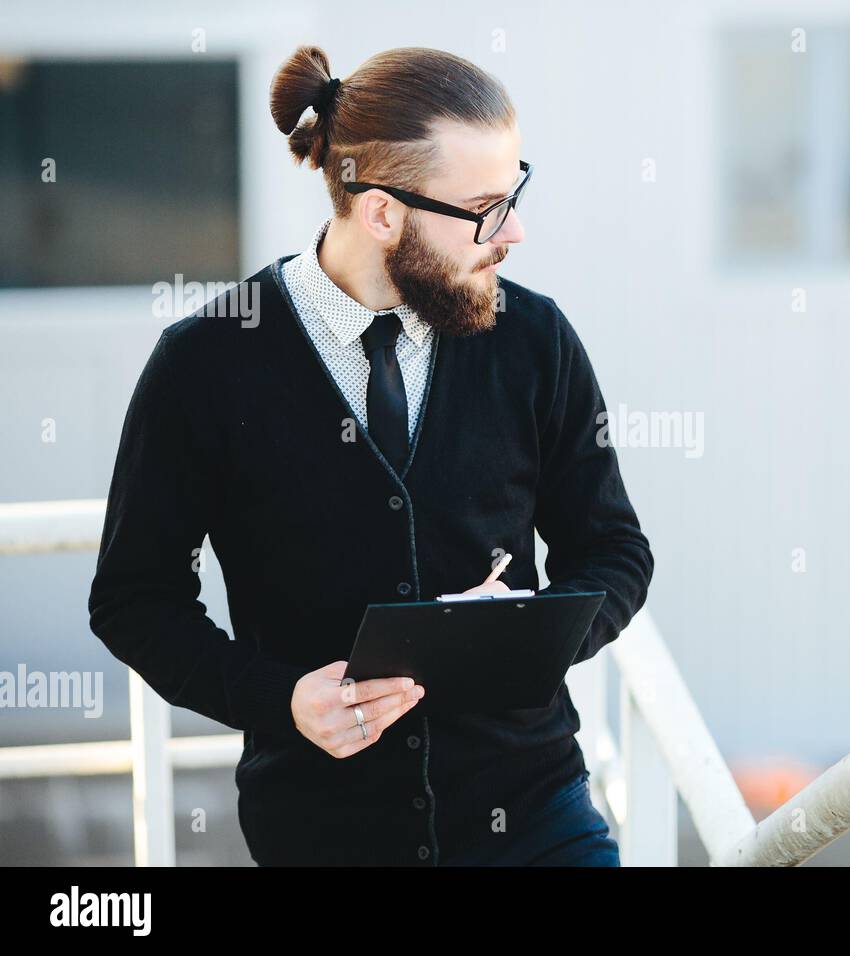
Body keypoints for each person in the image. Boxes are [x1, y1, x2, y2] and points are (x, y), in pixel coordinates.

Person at [87, 44, 652, 866]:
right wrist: (280, 699)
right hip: (320, 834)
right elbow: (134, 599)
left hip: (537, 814)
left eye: (515, 191)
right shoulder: (203, 363)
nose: (516, 232)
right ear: (383, 213)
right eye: (487, 208)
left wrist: (528, 631)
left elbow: (613, 549)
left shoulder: (537, 340)